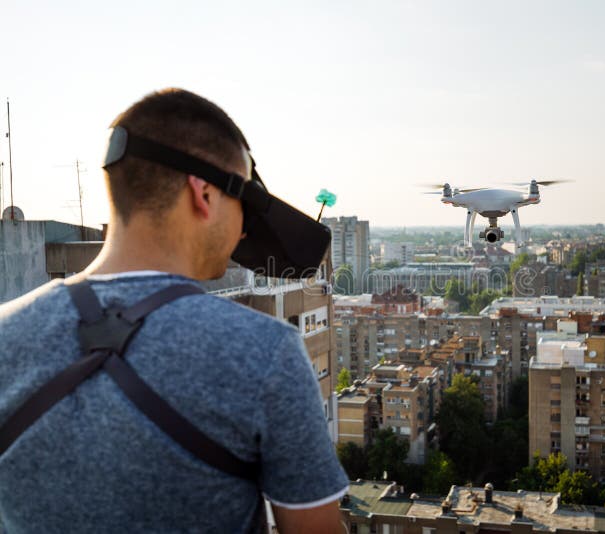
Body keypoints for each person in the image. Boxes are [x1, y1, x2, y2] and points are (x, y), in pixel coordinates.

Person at [0, 89, 349, 533]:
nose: (244, 230)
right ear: (203, 193)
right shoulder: (265, 353)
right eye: (243, 204)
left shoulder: (5, 336)